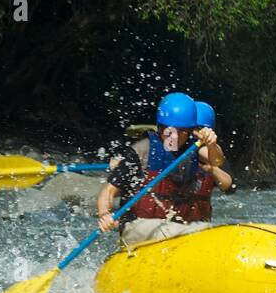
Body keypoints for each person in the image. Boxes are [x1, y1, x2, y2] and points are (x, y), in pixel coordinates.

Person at [96, 92, 224, 248]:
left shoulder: (193, 148)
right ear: (160, 127)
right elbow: (108, 191)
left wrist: (211, 144)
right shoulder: (141, 152)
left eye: (181, 131)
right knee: (171, 231)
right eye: (169, 130)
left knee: (205, 231)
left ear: (190, 130)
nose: (174, 137)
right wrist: (104, 214)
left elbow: (217, 161)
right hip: (136, 227)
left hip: (176, 228)